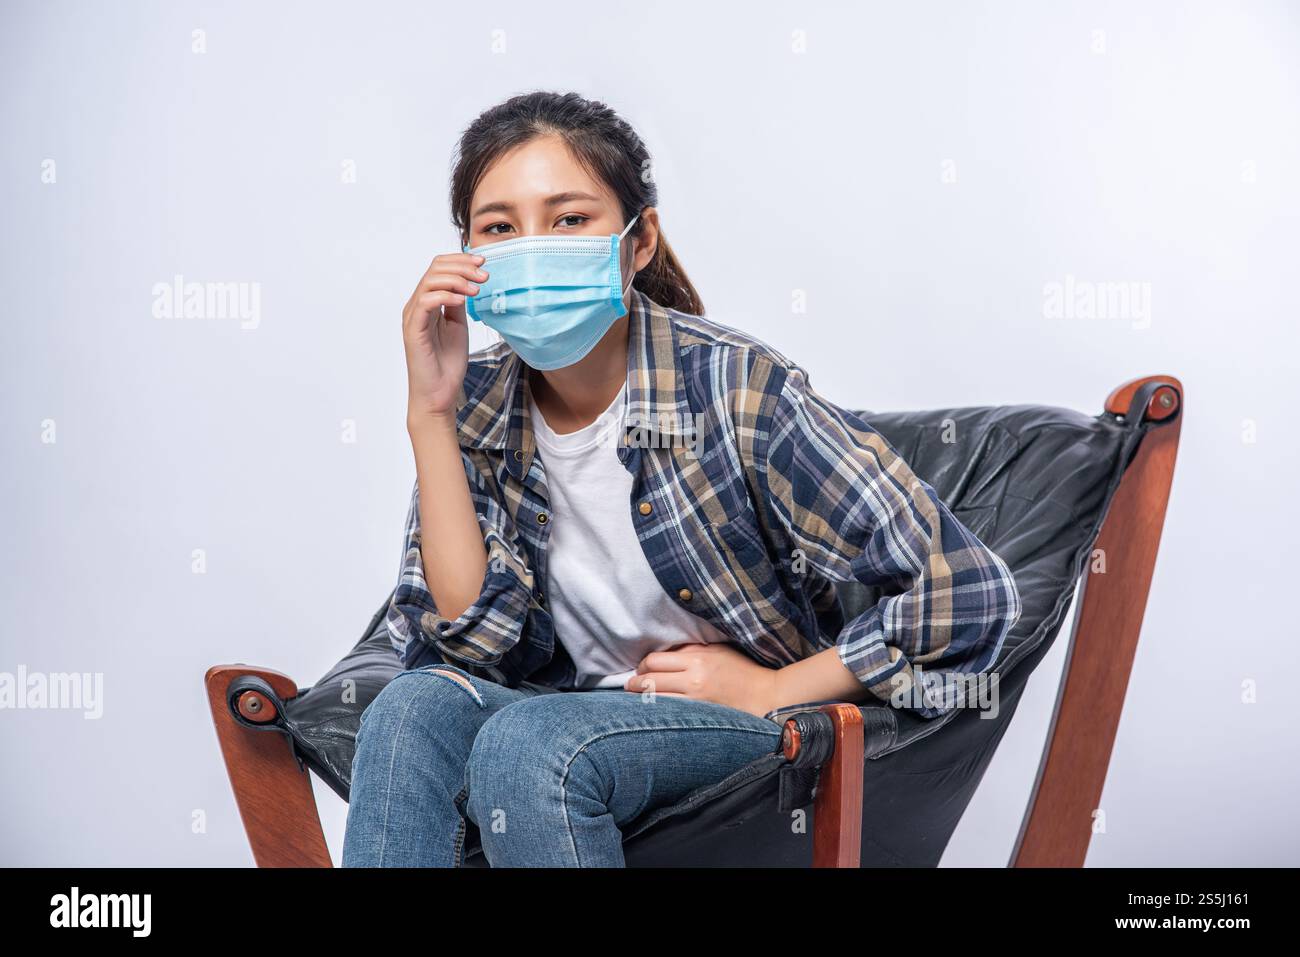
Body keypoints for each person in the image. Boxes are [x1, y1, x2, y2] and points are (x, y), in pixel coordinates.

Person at [341, 90, 1022, 867]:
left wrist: (775, 689)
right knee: (410, 708)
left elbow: (969, 593)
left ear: (637, 242)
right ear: (467, 259)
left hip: (735, 730)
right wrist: (429, 415)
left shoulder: (734, 390)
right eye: (500, 228)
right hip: (551, 713)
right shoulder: (474, 404)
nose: (533, 246)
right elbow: (469, 643)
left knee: (532, 742)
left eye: (569, 219)